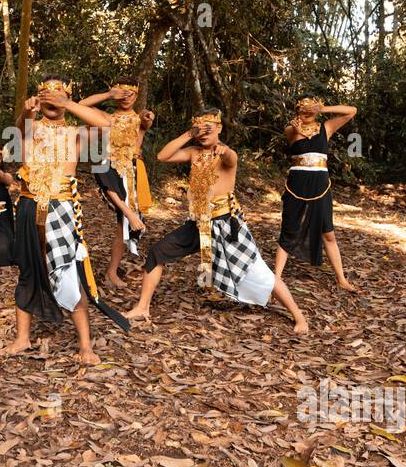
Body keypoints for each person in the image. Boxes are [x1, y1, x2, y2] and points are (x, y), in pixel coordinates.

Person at [126, 109, 308, 334]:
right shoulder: (193, 152)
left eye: (208, 129)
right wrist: (188, 134)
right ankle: (142, 307)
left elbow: (231, 158)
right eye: (199, 130)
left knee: (257, 270)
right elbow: (162, 156)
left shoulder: (225, 155)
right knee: (157, 252)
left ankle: (299, 316)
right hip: (197, 224)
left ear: (219, 128)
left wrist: (225, 150)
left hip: (225, 225)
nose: (203, 134)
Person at [8, 77, 130, 364]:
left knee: (66, 271)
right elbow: (19, 127)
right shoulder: (32, 128)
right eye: (46, 95)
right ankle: (22, 338)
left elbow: (105, 124)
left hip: (60, 206)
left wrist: (69, 104)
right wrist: (27, 110)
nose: (52, 99)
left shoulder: (76, 134)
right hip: (27, 205)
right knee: (27, 269)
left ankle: (85, 346)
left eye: (58, 95)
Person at [274, 96, 357, 291]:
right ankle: (276, 279)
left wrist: (324, 108)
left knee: (328, 233)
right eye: (303, 108)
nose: (308, 111)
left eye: (312, 108)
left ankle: (341, 279)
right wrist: (300, 121)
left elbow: (351, 110)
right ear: (296, 110)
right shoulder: (291, 130)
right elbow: (292, 131)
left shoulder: (325, 128)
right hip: (297, 187)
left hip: (321, 187)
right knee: (289, 230)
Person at [81, 82, 154, 288]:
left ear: (137, 94)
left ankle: (111, 272)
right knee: (126, 216)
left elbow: (141, 136)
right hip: (109, 166)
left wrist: (146, 122)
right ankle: (111, 272)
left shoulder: (140, 118)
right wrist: (108, 94)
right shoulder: (107, 118)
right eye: (122, 93)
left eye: (130, 93)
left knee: (122, 226)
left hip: (131, 171)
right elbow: (81, 104)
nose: (126, 96)